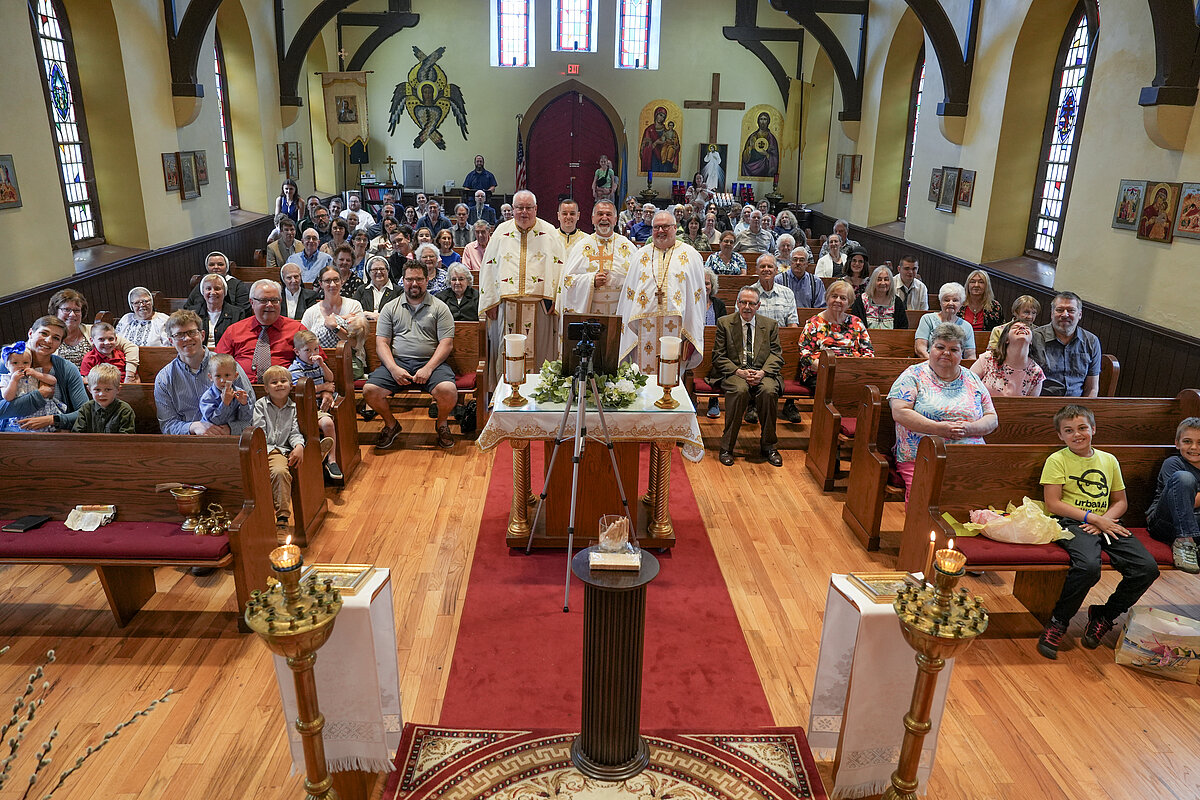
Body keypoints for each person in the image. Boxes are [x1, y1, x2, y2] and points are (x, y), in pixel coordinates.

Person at [1036, 405, 1160, 659]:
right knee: (1088, 568)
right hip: (1071, 522)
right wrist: (1093, 519)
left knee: (1146, 568)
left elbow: (1121, 502)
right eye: (1069, 431)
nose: (1077, 434)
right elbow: (1053, 503)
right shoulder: (1057, 460)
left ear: (1093, 428)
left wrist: (1103, 521)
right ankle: (1058, 622)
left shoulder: (1108, 460)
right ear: (1060, 436)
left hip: (1107, 521)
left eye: (1082, 428)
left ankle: (1105, 614)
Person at [887, 322, 997, 500]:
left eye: (954, 349)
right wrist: (939, 429)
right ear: (930, 349)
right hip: (921, 456)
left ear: (962, 354)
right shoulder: (913, 375)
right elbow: (900, 412)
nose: (946, 353)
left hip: (971, 457)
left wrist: (969, 429)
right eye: (940, 347)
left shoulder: (972, 378)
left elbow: (992, 418)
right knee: (925, 496)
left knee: (984, 495)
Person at [365, 260, 458, 451]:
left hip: (432, 363)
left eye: (419, 279)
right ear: (402, 281)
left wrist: (428, 368)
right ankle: (391, 425)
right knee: (370, 390)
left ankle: (442, 424)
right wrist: (393, 368)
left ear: (427, 281)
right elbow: (381, 343)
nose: (414, 284)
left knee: (448, 390)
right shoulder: (390, 308)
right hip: (398, 362)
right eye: (409, 279)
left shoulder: (440, 308)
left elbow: (446, 344)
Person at [479, 189, 566, 388]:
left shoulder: (550, 232)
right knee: (506, 354)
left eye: (528, 208)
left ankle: (541, 395)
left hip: (540, 308)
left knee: (541, 356)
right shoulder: (502, 231)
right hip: (506, 306)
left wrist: (556, 299)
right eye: (519, 208)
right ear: (513, 209)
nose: (524, 212)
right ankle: (505, 395)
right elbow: (489, 267)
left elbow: (561, 267)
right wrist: (490, 302)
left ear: (536, 209)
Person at [617, 210, 706, 373]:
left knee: (672, 374)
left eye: (665, 227)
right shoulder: (640, 255)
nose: (660, 231)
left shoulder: (691, 255)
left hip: (677, 325)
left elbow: (697, 295)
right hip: (644, 326)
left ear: (675, 228)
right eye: (656, 227)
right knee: (643, 375)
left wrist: (692, 328)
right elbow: (629, 293)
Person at [709, 287, 785, 467]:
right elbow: (718, 356)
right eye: (743, 302)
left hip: (761, 371)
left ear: (758, 305)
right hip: (735, 371)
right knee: (740, 390)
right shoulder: (725, 323)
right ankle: (727, 447)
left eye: (752, 303)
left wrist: (763, 373)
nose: (747, 307)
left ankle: (769, 446)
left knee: (768, 390)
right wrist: (738, 372)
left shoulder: (770, 325)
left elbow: (776, 355)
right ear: (737, 303)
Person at [154, 310, 254, 436]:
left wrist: (231, 429)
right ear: (171, 340)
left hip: (229, 441)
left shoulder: (229, 367)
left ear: (202, 335)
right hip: (188, 445)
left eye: (192, 332)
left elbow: (251, 413)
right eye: (179, 334)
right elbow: (167, 425)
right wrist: (193, 427)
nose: (187, 338)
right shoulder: (164, 378)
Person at [255, 365, 312, 533]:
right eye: (274, 382)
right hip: (265, 449)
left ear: (291, 385)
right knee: (276, 472)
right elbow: (260, 434)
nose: (279, 384)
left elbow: (294, 431)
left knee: (287, 467)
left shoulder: (294, 408)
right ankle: (274, 518)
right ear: (266, 388)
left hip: (283, 449)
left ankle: (282, 519)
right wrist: (273, 451)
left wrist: (299, 445)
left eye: (283, 381)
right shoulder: (261, 406)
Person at [216, 279, 306, 382]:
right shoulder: (234, 331)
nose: (270, 305)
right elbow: (218, 364)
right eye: (263, 300)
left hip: (284, 391)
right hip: (241, 391)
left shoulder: (297, 330)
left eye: (274, 300)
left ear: (280, 302)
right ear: (252, 302)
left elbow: (315, 361)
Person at [557, 200, 634, 317]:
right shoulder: (582, 246)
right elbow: (568, 281)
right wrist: (592, 280)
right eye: (600, 214)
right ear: (593, 219)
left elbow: (636, 280)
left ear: (615, 219)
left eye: (608, 214)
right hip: (591, 312)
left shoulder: (628, 247)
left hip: (620, 312)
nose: (604, 218)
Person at [1146, 417, 1200, 573]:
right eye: (1187, 441)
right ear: (1177, 443)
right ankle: (1185, 542)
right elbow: (1180, 501)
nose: (1194, 447)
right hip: (1165, 523)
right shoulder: (1173, 463)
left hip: (1197, 521)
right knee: (1184, 478)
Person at [797, 279, 874, 389]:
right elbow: (804, 353)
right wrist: (826, 368)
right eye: (834, 296)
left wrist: (855, 370)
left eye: (843, 298)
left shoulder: (856, 323)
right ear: (827, 298)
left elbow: (869, 352)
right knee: (835, 386)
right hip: (820, 373)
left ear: (849, 302)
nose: (837, 300)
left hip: (851, 374)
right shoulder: (814, 323)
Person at [289, 329, 343, 482]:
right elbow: (303, 390)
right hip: (304, 409)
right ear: (297, 352)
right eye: (307, 350)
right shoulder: (295, 369)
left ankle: (332, 461)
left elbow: (331, 378)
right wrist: (324, 387)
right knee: (322, 423)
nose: (312, 353)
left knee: (328, 423)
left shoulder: (317, 364)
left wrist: (323, 365)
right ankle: (318, 455)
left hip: (318, 407)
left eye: (315, 349)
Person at [1030, 292, 1101, 398]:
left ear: (1080, 315)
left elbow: (1092, 388)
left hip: (1076, 408)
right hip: (1042, 404)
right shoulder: (1034, 338)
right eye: (1059, 310)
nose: (1065, 314)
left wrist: (1083, 411)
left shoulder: (1091, 342)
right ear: (1052, 314)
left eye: (1071, 310)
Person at [302, 266, 367, 379]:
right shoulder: (311, 312)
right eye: (327, 281)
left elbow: (356, 343)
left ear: (342, 281)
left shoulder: (354, 306)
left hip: (350, 363)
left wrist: (335, 327)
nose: (332, 284)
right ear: (320, 284)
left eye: (336, 280)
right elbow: (302, 343)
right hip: (318, 364)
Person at [0, 333, 72, 432]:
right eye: (15, 363)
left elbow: (53, 381)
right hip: (20, 413)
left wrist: (37, 375)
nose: (21, 366)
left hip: (41, 411)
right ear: (7, 366)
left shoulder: (35, 373)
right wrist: (14, 381)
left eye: (25, 363)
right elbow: (8, 397)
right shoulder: (6, 378)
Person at [970, 321, 1044, 396]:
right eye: (1016, 327)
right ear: (1006, 339)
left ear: (1031, 341)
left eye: (1026, 328)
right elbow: (967, 383)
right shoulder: (988, 358)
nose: (1022, 328)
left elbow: (1031, 406)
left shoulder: (1036, 372)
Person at [915, 283, 977, 359]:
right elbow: (920, 348)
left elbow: (970, 355)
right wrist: (934, 364)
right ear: (940, 302)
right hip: (930, 363)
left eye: (955, 300)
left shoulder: (967, 326)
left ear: (961, 304)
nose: (950, 303)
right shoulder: (927, 319)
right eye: (946, 300)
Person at [186, 273, 247, 350]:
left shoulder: (237, 313)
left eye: (217, 288)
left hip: (226, 356)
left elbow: (239, 342)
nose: (213, 292)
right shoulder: (192, 314)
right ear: (203, 292)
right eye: (208, 288)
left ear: (224, 292)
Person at [72, 363, 135, 434]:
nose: (102, 394)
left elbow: (126, 438)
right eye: (97, 390)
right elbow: (77, 435)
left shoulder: (125, 411)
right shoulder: (86, 409)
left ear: (118, 389)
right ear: (89, 390)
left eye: (108, 389)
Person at [198, 352, 252, 430]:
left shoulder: (239, 393)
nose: (223, 380)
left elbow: (245, 420)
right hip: (212, 435)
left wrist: (244, 404)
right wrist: (225, 403)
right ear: (210, 377)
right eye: (218, 376)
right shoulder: (207, 397)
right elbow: (215, 421)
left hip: (233, 433)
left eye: (227, 375)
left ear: (235, 376)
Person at [741, 111, 780, 178]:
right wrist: (750, 148)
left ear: (768, 122)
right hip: (751, 167)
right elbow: (744, 158)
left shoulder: (771, 138)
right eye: (761, 119)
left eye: (765, 119)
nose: (762, 122)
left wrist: (767, 155)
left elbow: (775, 157)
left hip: (765, 167)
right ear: (758, 121)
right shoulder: (753, 136)